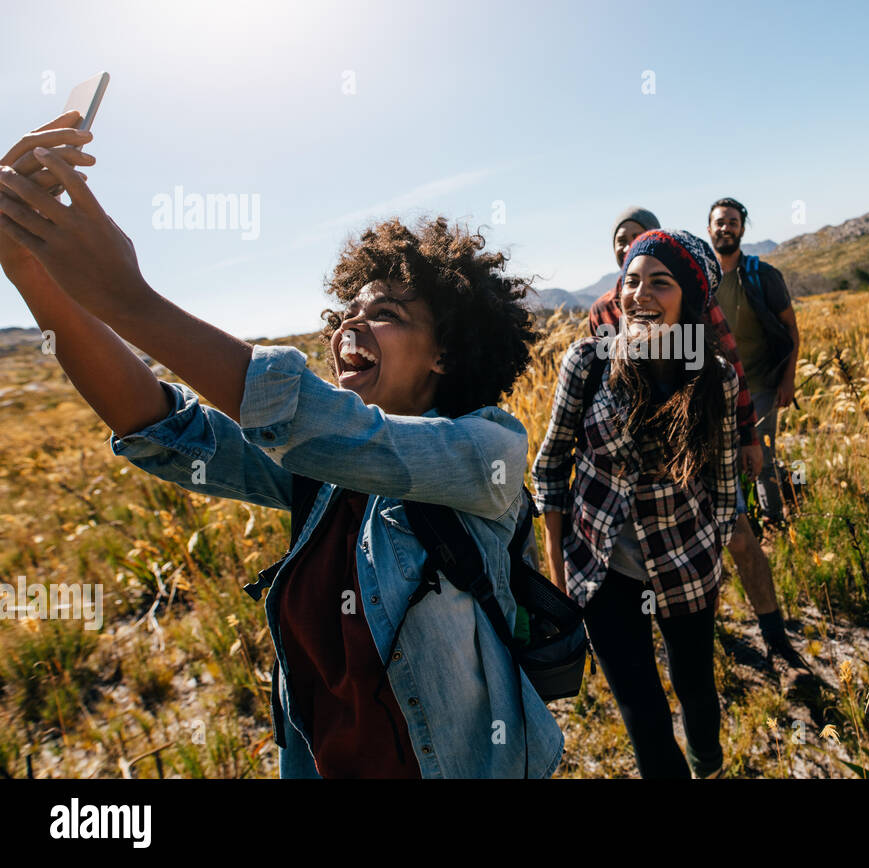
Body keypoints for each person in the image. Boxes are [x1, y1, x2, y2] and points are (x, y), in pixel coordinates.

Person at [0, 114, 563, 778]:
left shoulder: (487, 452)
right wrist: (30, 269)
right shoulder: (322, 474)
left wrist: (129, 299)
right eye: (347, 313)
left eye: (384, 313)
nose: (354, 323)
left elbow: (319, 423)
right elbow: (169, 428)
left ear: (445, 351)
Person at [534, 229, 737, 778]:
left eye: (661, 283)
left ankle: (707, 765)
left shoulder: (713, 377)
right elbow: (550, 469)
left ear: (689, 301)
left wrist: (713, 555)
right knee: (643, 714)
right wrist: (561, 573)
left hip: (687, 566)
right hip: (602, 574)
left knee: (696, 689)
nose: (640, 294)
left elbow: (723, 484)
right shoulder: (589, 362)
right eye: (632, 280)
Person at [589, 206, 809, 682]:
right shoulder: (604, 312)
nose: (628, 247)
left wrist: (748, 434)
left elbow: (731, 365)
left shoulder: (689, 297)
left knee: (738, 535)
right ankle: (694, 646)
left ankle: (775, 637)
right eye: (620, 241)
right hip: (645, 469)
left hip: (706, 445)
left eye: (638, 237)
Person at [706, 197, 799, 527]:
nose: (725, 227)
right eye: (720, 222)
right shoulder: (702, 282)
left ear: (742, 229)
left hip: (761, 383)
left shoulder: (763, 275)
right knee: (725, 459)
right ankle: (739, 525)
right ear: (709, 229)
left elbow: (790, 327)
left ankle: (774, 521)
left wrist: (787, 380)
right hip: (718, 390)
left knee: (763, 456)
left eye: (732, 222)